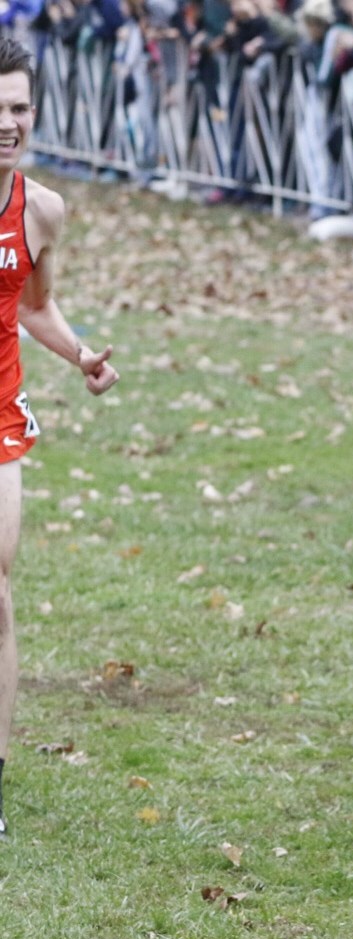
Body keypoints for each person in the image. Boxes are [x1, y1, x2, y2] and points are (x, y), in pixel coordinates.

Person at [0, 39, 120, 837]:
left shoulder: (41, 209)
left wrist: (80, 355)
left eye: (18, 107)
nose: (9, 123)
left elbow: (33, 305)